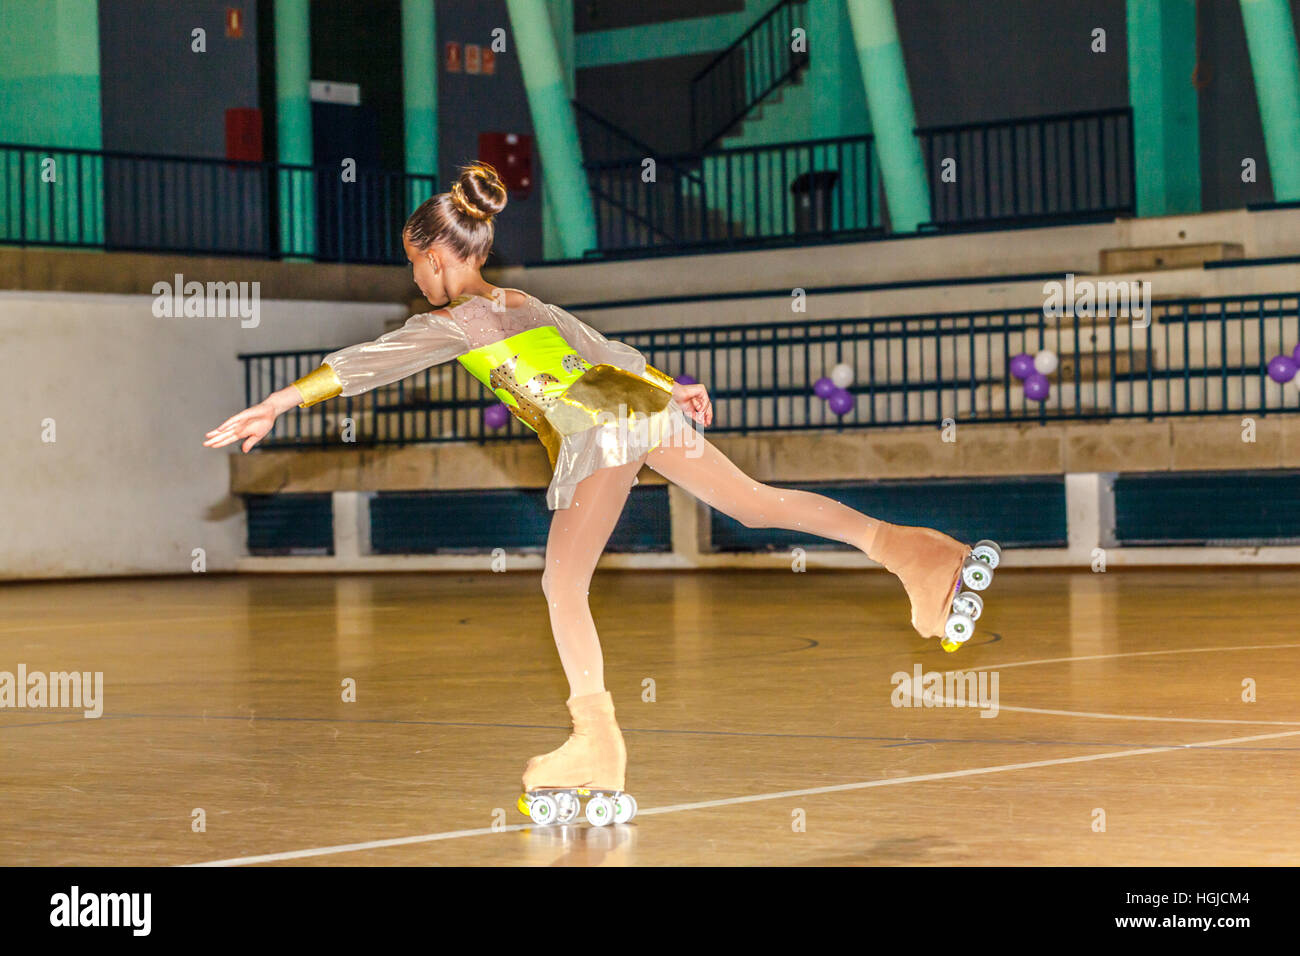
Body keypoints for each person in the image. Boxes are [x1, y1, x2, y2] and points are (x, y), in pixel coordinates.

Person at [204, 162, 998, 827]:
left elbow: (373, 359)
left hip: (602, 428)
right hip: (635, 407)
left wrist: (280, 402)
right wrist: (667, 385)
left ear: (436, 257)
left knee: (561, 583)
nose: (413, 277)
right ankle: (916, 554)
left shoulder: (455, 321)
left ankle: (596, 744)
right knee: (757, 502)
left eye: (414, 263)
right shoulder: (521, 305)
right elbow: (602, 350)